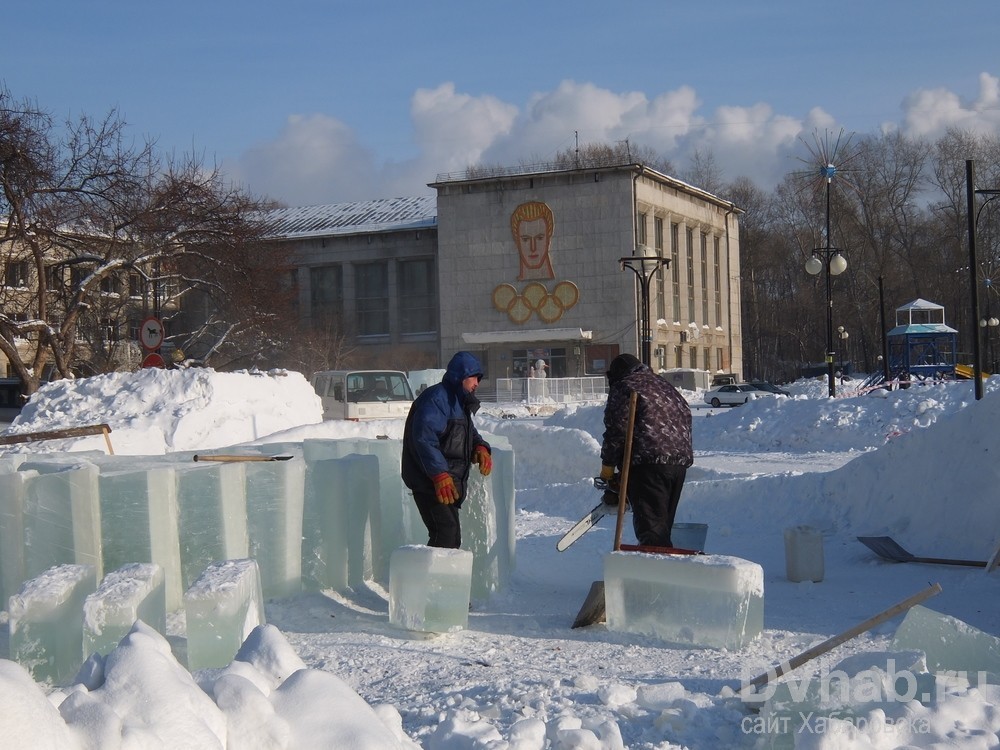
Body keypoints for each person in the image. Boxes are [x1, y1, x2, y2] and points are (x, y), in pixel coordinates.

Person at [599, 353, 693, 548]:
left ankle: (656, 575)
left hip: (648, 464)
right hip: (678, 462)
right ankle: (663, 571)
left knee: (652, 533)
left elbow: (617, 430)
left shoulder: (625, 386)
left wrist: (608, 466)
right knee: (662, 528)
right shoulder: (663, 385)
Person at [402, 351, 493, 549]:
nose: (477, 383)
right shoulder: (437, 399)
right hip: (430, 483)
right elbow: (424, 438)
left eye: (479, 378)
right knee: (445, 534)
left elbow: (467, 433)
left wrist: (480, 446)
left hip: (446, 486)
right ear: (460, 376)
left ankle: (438, 579)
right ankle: (430, 579)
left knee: (450, 536)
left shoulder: (457, 403)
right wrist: (439, 474)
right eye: (474, 377)